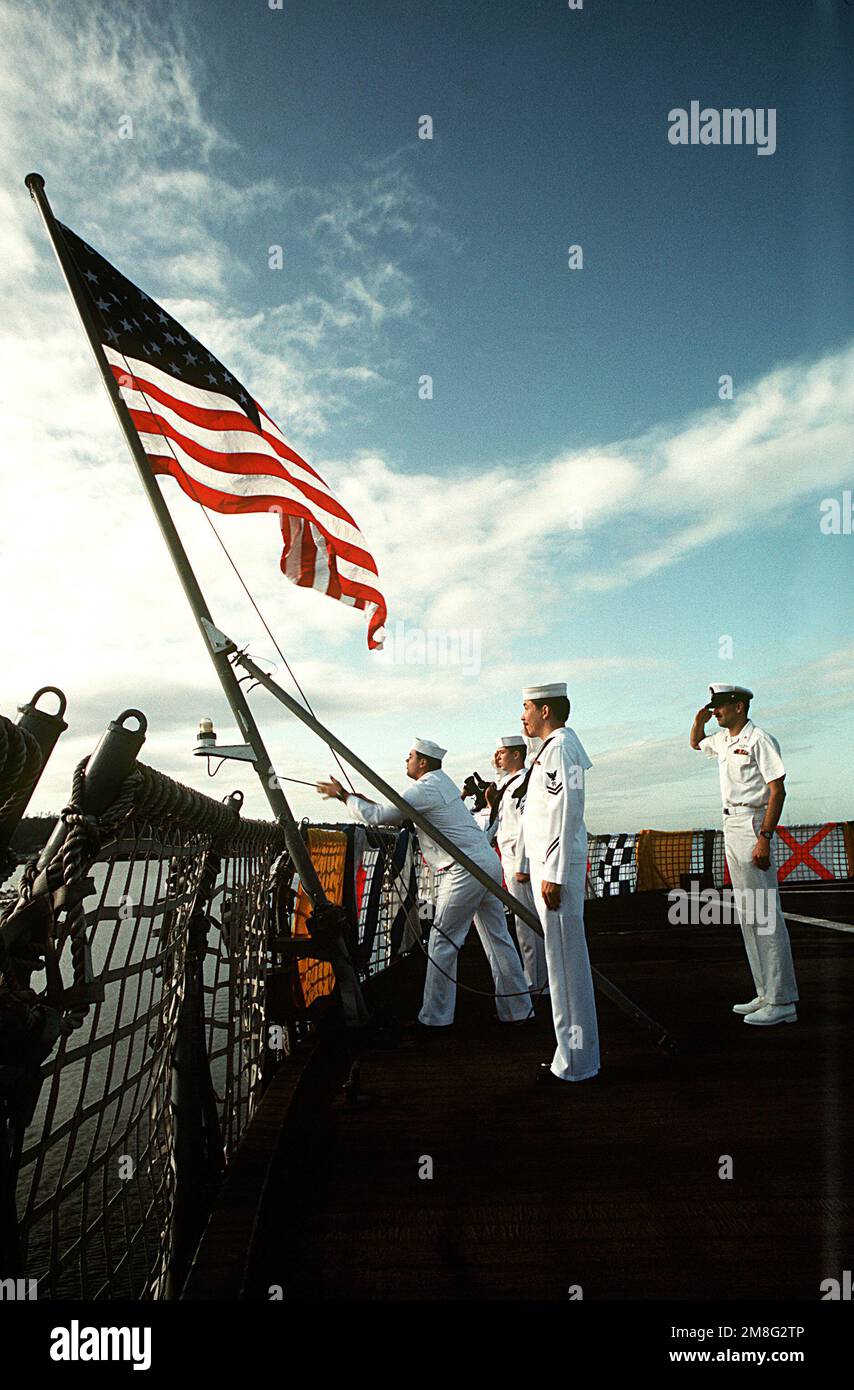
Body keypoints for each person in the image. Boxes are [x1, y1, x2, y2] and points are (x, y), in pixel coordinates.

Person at [316, 738, 533, 1027]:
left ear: (423, 763)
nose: (406, 760)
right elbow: (392, 809)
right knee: (498, 939)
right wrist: (353, 795)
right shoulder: (439, 784)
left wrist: (343, 796)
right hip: (485, 863)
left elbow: (381, 816)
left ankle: (435, 1018)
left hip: (464, 869)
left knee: (442, 942)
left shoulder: (425, 788)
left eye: (410, 756)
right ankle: (518, 1010)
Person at [690, 684, 798, 1025]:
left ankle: (782, 1001)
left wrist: (764, 836)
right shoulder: (724, 741)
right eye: (713, 706)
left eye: (720, 706)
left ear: (739, 706)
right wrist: (699, 719)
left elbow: (777, 790)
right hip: (730, 823)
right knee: (749, 915)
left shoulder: (758, 739)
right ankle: (765, 992)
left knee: (765, 914)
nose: (715, 711)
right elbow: (696, 743)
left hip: (752, 822)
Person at [520, 684, 600, 1085]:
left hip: (555, 869)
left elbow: (567, 808)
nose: (523, 716)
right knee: (561, 965)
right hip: (548, 864)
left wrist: (553, 871)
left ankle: (576, 1063)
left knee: (565, 967)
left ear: (545, 710)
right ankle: (569, 1054)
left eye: (527, 708)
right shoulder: (552, 747)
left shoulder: (562, 747)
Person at [489, 735, 548, 996]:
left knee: (526, 922)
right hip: (509, 857)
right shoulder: (509, 784)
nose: (497, 757)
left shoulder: (524, 782)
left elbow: (527, 824)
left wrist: (522, 864)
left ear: (516, 754)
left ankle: (536, 983)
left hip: (517, 859)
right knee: (522, 922)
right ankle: (535, 977)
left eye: (501, 753)